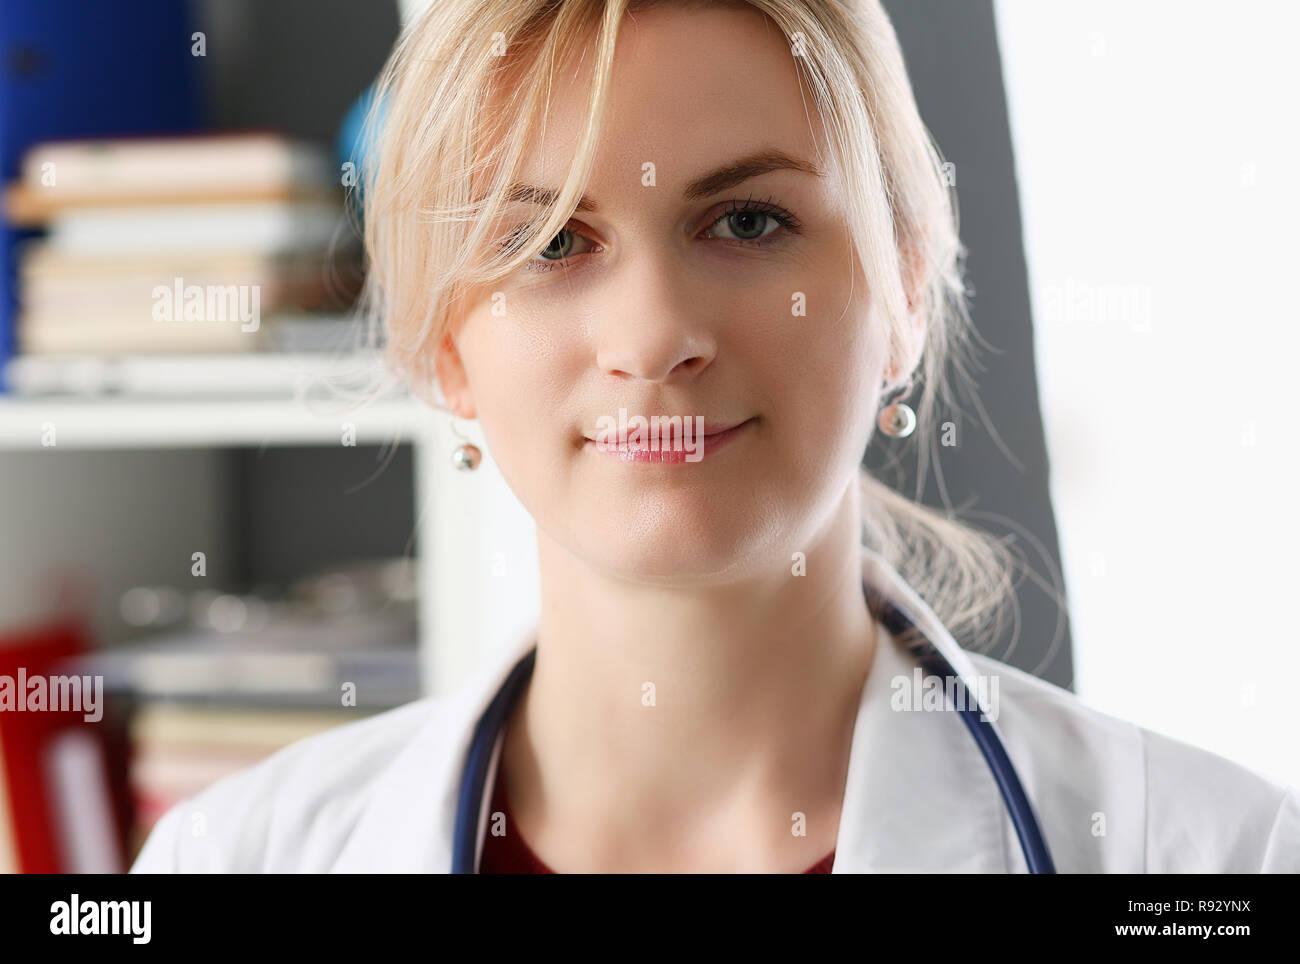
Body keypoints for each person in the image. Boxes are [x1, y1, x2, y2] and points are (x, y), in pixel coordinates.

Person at [130, 0, 1299, 873]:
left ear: (900, 289)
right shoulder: (233, 857)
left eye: (746, 219)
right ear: (444, 344)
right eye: (549, 246)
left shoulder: (1209, 858)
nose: (653, 335)